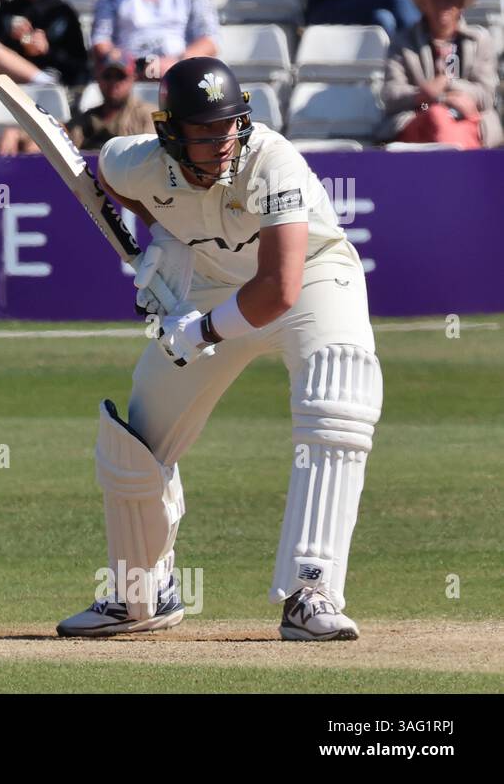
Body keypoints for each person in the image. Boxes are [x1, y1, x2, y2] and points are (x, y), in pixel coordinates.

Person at [56, 57, 382, 641]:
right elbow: (107, 178)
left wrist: (201, 330)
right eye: (203, 131)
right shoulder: (136, 161)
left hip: (311, 281)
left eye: (228, 125)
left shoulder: (271, 160)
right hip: (209, 283)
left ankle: (312, 593)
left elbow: (278, 289)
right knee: (141, 435)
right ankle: (140, 593)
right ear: (171, 132)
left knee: (338, 400)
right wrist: (170, 242)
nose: (220, 140)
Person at [379, 0, 502, 148]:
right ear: (424, 4)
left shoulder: (479, 41)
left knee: (452, 128)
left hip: (467, 119)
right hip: (419, 117)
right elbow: (390, 94)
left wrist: (447, 83)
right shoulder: (403, 42)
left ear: (460, 4)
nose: (443, 6)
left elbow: (487, 94)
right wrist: (423, 96)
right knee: (436, 117)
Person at [0, 49, 154, 155]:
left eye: (120, 77)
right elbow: (57, 131)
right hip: (89, 187)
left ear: (133, 79)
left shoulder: (146, 115)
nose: (114, 83)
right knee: (33, 147)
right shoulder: (88, 117)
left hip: (127, 188)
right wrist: (18, 134)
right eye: (107, 77)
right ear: (98, 79)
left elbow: (152, 156)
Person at [90, 0, 219, 81]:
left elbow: (209, 41)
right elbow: (100, 39)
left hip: (179, 78)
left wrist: (175, 64)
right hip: (128, 78)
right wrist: (121, 62)